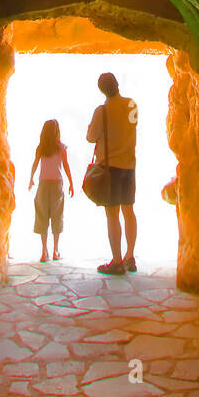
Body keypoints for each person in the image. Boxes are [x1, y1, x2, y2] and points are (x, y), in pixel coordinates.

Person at [86, 72, 138, 275]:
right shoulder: (132, 104)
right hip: (129, 165)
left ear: (102, 90)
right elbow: (133, 125)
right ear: (117, 83)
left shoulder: (102, 111)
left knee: (112, 214)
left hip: (110, 167)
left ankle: (116, 261)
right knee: (129, 211)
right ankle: (130, 257)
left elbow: (91, 137)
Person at [27, 119, 72, 262]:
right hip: (57, 184)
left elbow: (35, 164)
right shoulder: (61, 147)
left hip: (43, 184)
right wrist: (71, 183)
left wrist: (31, 178)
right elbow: (66, 166)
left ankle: (43, 251)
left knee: (42, 215)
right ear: (56, 131)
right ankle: (55, 250)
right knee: (57, 215)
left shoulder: (41, 147)